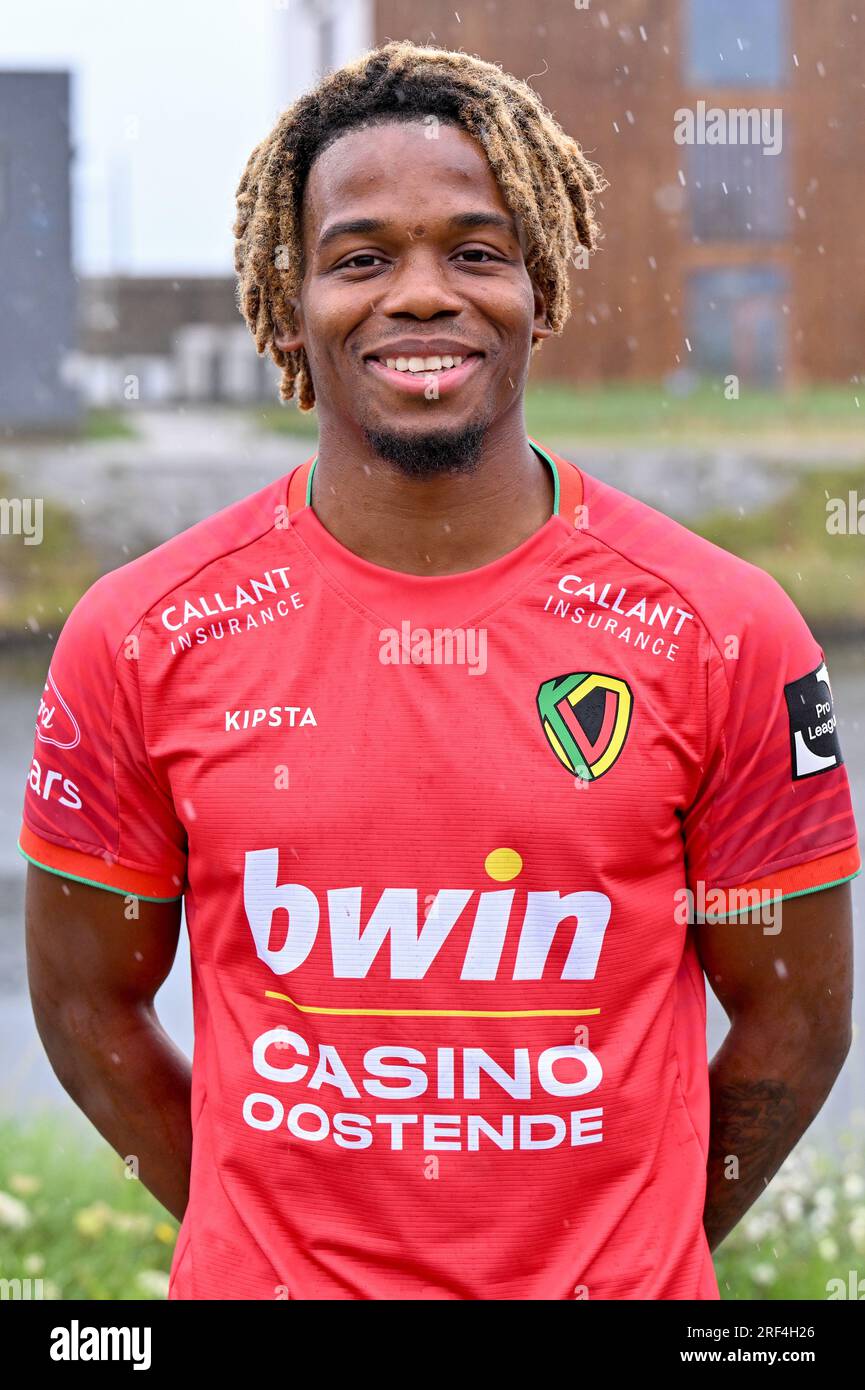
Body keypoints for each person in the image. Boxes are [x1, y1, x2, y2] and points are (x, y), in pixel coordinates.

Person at [20, 40, 859, 1301]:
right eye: (361, 258)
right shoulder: (141, 632)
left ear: (541, 283)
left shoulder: (722, 628)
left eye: (475, 250)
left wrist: (633, 1250)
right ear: (286, 293)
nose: (421, 294)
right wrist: (260, 1244)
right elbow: (88, 1006)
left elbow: (796, 1018)